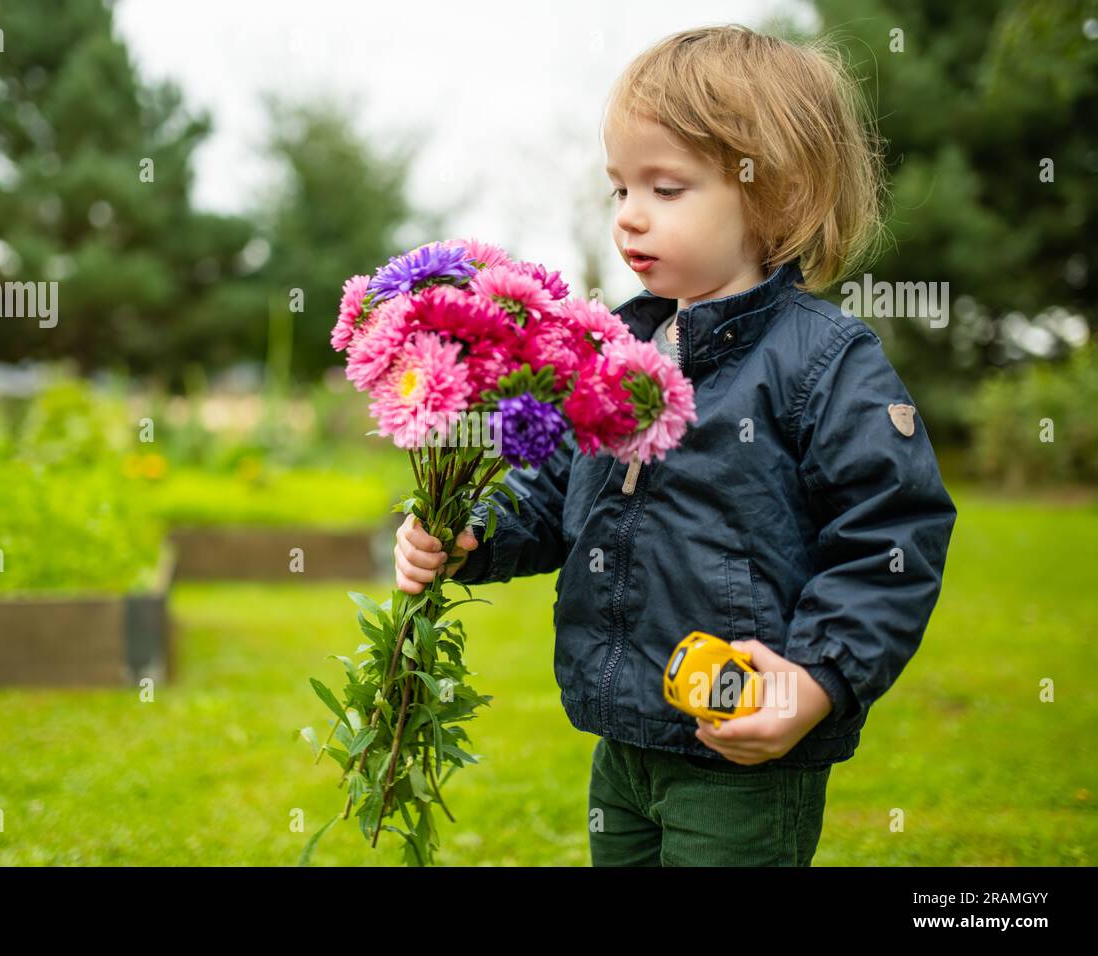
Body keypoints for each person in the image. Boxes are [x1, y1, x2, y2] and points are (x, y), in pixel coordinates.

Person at [394, 24, 957, 866]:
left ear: (776, 195)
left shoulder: (825, 363)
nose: (629, 216)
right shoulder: (616, 349)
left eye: (665, 187)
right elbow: (554, 490)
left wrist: (815, 681)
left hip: (741, 750)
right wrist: (473, 529)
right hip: (622, 737)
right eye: (619, 188)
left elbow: (891, 539)